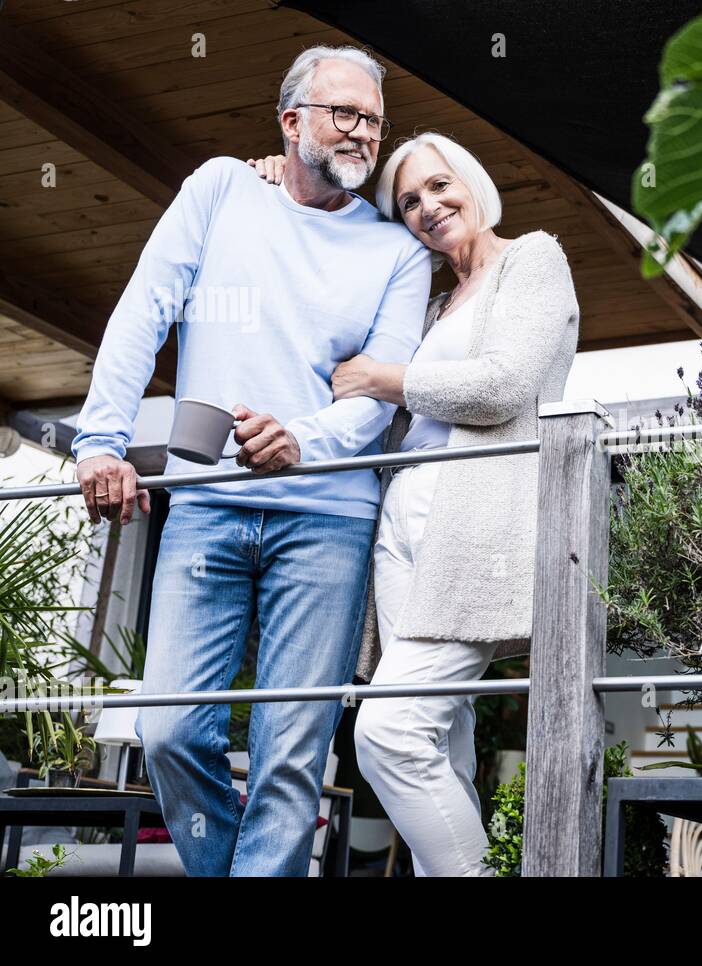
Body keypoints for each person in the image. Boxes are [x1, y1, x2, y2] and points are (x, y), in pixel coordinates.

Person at [70, 45, 432, 876]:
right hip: (205, 503)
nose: (363, 133)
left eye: (374, 120)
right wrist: (99, 439)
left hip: (331, 518)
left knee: (290, 756)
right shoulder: (222, 188)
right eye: (344, 113)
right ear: (291, 120)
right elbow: (142, 312)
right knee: (166, 729)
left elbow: (376, 396)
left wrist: (302, 441)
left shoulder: (398, 252)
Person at [249, 131, 579, 875]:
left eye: (438, 186)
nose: (428, 207)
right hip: (403, 534)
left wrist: (381, 378)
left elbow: (502, 387)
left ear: (470, 181)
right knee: (440, 743)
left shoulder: (533, 259)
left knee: (389, 735)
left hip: (474, 533)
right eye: (407, 202)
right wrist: (284, 173)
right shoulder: (433, 302)